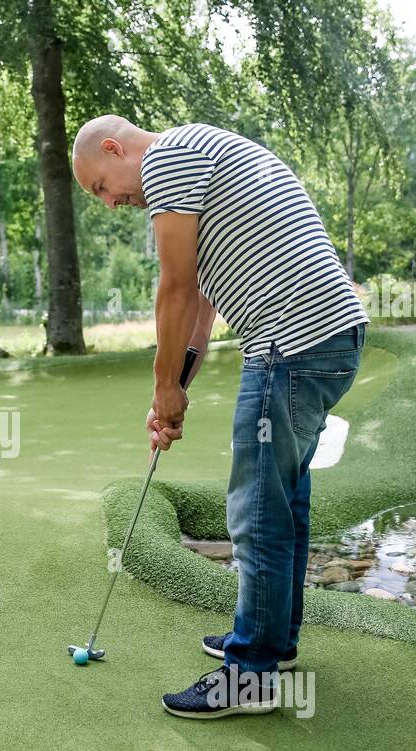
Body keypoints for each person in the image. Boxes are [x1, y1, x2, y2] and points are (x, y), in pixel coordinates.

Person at [72, 116, 368, 719]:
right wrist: (174, 392)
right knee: (284, 499)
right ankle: (271, 643)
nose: (110, 202)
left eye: (101, 186)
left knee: (257, 509)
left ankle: (250, 675)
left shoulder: (165, 161)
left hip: (293, 343)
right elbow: (202, 312)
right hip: (329, 337)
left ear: (114, 149)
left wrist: (161, 388)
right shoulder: (203, 163)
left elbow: (174, 289)